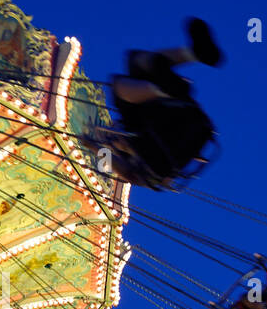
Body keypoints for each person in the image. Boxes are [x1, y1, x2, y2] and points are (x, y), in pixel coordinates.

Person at [85, 17, 222, 189]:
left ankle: (193, 55)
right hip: (167, 123)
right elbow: (123, 169)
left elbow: (121, 165)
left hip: (178, 114)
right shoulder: (137, 150)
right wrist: (93, 146)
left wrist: (94, 146)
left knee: (136, 62)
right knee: (120, 83)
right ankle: (189, 60)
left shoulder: (144, 158)